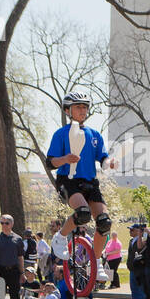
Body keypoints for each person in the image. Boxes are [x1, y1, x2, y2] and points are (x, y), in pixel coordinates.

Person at [46, 89, 114, 283]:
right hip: (68, 180)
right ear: (68, 110)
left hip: (89, 182)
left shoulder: (94, 135)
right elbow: (50, 163)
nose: (82, 110)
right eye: (78, 107)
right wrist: (65, 158)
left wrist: (110, 163)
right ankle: (60, 237)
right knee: (83, 213)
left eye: (85, 107)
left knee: (104, 222)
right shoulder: (61, 134)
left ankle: (97, 261)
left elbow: (103, 159)